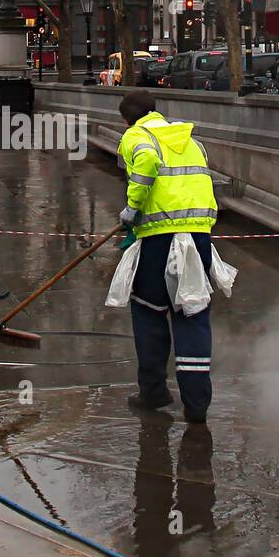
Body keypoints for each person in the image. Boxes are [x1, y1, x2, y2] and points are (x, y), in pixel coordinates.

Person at [116, 90, 220, 424]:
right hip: (198, 235)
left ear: (126, 119)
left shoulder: (136, 136)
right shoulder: (190, 140)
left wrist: (132, 208)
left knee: (149, 310)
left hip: (159, 237)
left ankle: (154, 391)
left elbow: (146, 161)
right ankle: (197, 403)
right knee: (192, 311)